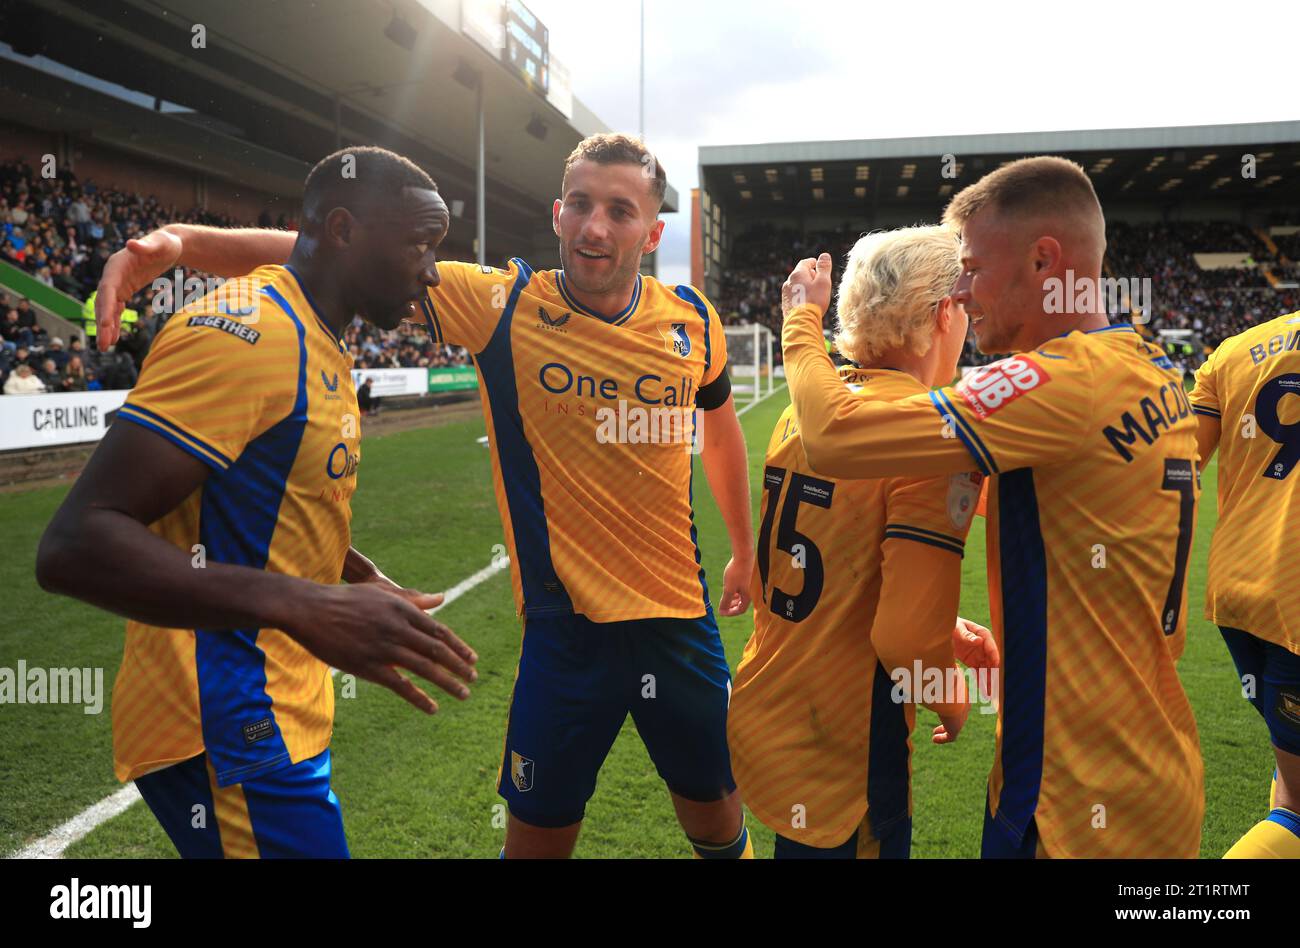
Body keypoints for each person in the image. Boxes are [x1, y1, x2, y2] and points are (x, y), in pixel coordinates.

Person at [96, 133, 757, 860]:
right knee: (537, 840)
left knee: (718, 820)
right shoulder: (502, 305)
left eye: (621, 211)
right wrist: (183, 243)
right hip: (563, 640)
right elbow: (324, 254)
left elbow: (721, 436)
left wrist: (745, 552)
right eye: (580, 204)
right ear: (558, 214)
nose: (596, 226)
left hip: (679, 627)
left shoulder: (693, 322)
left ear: (652, 230)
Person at [38, 146, 479, 859]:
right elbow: (75, 544)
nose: (430, 272)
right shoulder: (249, 334)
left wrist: (341, 567)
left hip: (272, 710)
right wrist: (306, 604)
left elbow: (257, 488)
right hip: (225, 723)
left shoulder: (318, 321)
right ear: (342, 231)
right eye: (418, 247)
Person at [780, 156, 1204, 858]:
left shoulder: (1054, 383)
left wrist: (801, 322)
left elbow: (835, 434)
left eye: (973, 268)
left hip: (1072, 800)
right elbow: (1080, 511)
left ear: (1044, 261)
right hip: (1154, 768)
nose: (964, 292)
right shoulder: (1146, 365)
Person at [729, 224, 998, 859]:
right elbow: (904, 642)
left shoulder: (807, 414)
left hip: (773, 702)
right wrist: (953, 700)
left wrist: (941, 622)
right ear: (941, 315)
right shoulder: (926, 431)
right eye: (966, 298)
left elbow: (841, 551)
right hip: (846, 741)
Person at [1189, 312, 1300, 858]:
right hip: (1295, 604)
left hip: (1238, 592)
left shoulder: (1236, 350)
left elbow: (1175, 465)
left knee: (1287, 763)